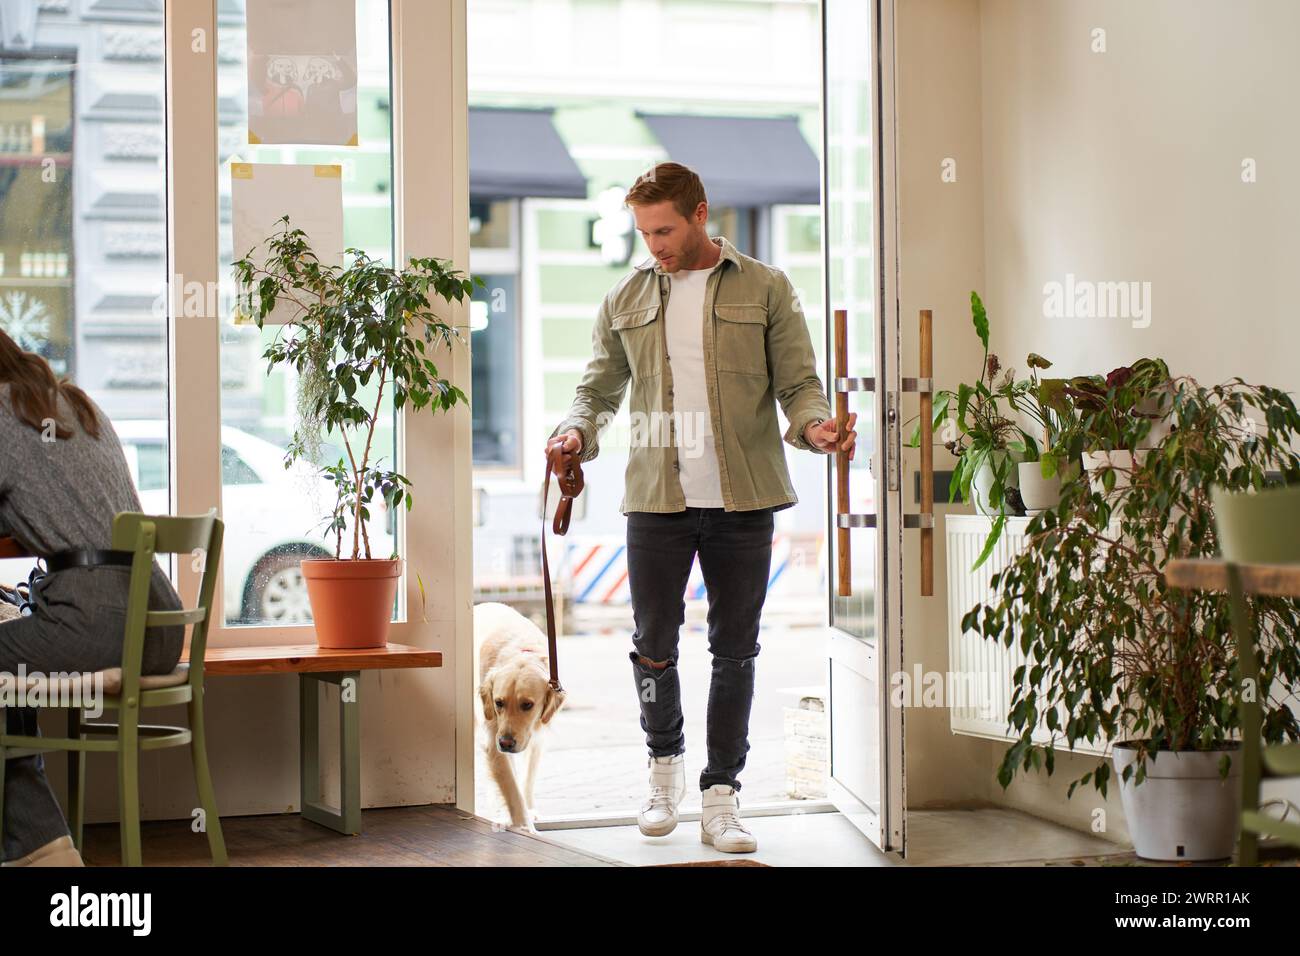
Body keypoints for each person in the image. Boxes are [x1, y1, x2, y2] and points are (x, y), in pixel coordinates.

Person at [547, 163, 856, 853]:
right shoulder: (624, 298)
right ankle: (663, 772)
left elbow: (800, 382)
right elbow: (595, 393)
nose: (654, 244)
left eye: (665, 229)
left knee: (735, 650)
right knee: (653, 648)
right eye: (644, 232)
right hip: (657, 500)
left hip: (743, 499)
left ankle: (722, 794)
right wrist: (573, 433)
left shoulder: (768, 287)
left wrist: (816, 428)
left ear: (700, 214)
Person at [0, 329, 185, 867]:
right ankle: (36, 845)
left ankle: (38, 846)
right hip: (158, 622)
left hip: (96, 620)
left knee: (9, 670)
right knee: (14, 665)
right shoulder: (79, 405)